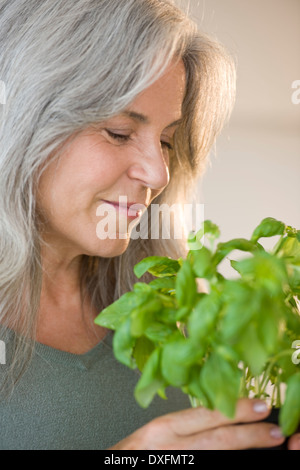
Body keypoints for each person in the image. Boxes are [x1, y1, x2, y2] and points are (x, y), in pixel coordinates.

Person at [0, 0, 299, 450]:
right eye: (119, 132)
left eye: (166, 142)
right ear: (21, 121)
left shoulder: (169, 304)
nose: (159, 174)